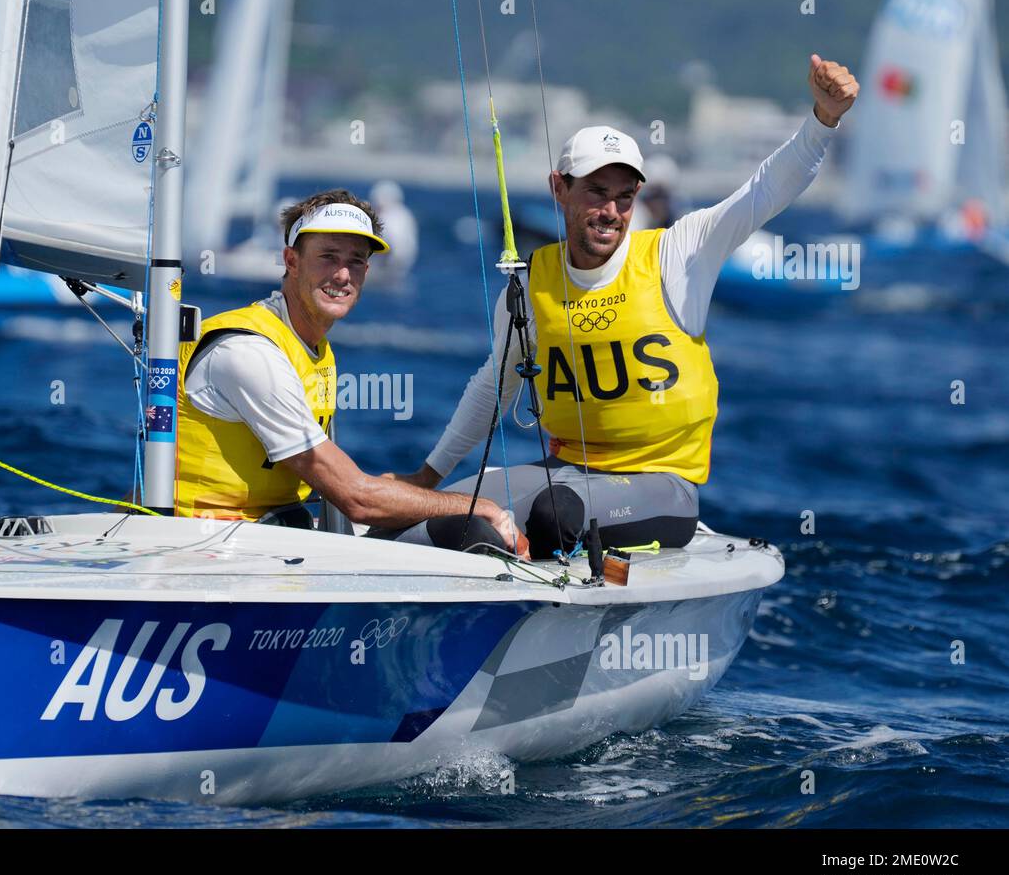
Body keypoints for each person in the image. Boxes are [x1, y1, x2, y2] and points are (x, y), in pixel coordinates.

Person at [390, 54, 860, 557]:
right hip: (566, 472)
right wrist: (427, 477)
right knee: (424, 520)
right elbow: (494, 385)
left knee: (555, 514)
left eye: (624, 197)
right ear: (558, 188)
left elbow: (765, 190)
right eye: (596, 192)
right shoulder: (530, 284)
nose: (610, 212)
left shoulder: (677, 255)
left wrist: (823, 119)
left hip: (660, 486)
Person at [173, 187, 529, 557]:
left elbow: (341, 488)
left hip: (268, 535)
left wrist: (415, 490)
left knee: (470, 527)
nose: (342, 275)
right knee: (475, 527)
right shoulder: (248, 353)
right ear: (291, 261)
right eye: (327, 257)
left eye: (356, 261)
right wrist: (479, 505)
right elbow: (356, 498)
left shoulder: (312, 345)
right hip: (201, 548)